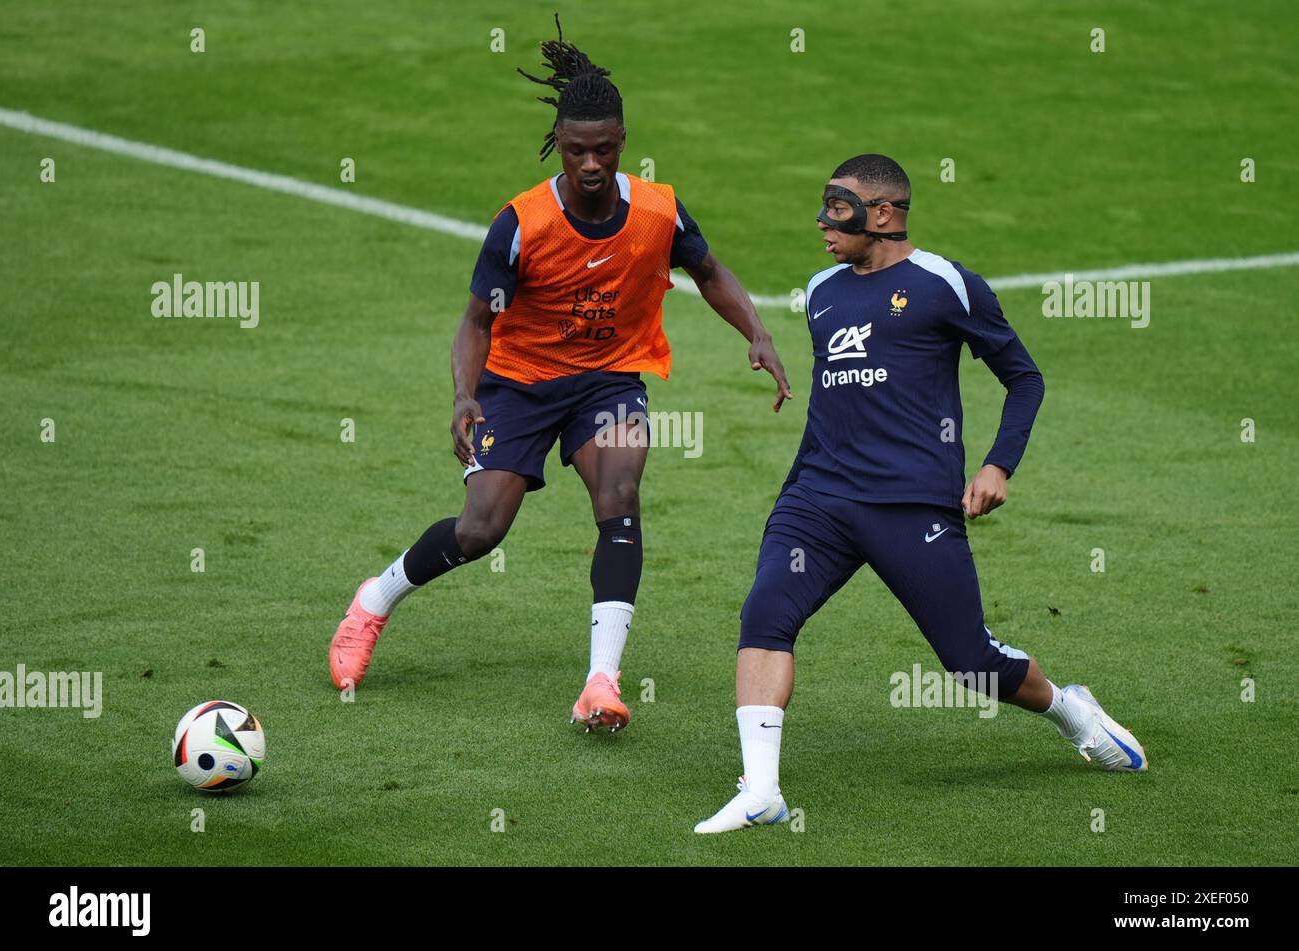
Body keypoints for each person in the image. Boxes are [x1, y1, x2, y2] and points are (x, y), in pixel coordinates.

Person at [329, 17, 791, 734]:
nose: (591, 164)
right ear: (560, 145)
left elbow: (708, 270)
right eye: (577, 150)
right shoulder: (522, 223)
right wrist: (463, 393)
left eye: (604, 149)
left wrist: (757, 332)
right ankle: (374, 601)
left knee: (620, 491)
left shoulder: (659, 211)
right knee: (482, 528)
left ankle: (600, 681)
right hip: (517, 381)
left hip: (608, 379)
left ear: (622, 143)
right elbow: (477, 321)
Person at [694, 153, 1146, 834]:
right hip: (816, 497)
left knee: (970, 663)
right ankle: (762, 791)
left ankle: (1067, 707)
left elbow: (1024, 378)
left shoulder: (944, 285)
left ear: (883, 213)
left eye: (837, 207)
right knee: (765, 614)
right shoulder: (821, 290)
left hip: (910, 504)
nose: (822, 222)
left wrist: (998, 466)